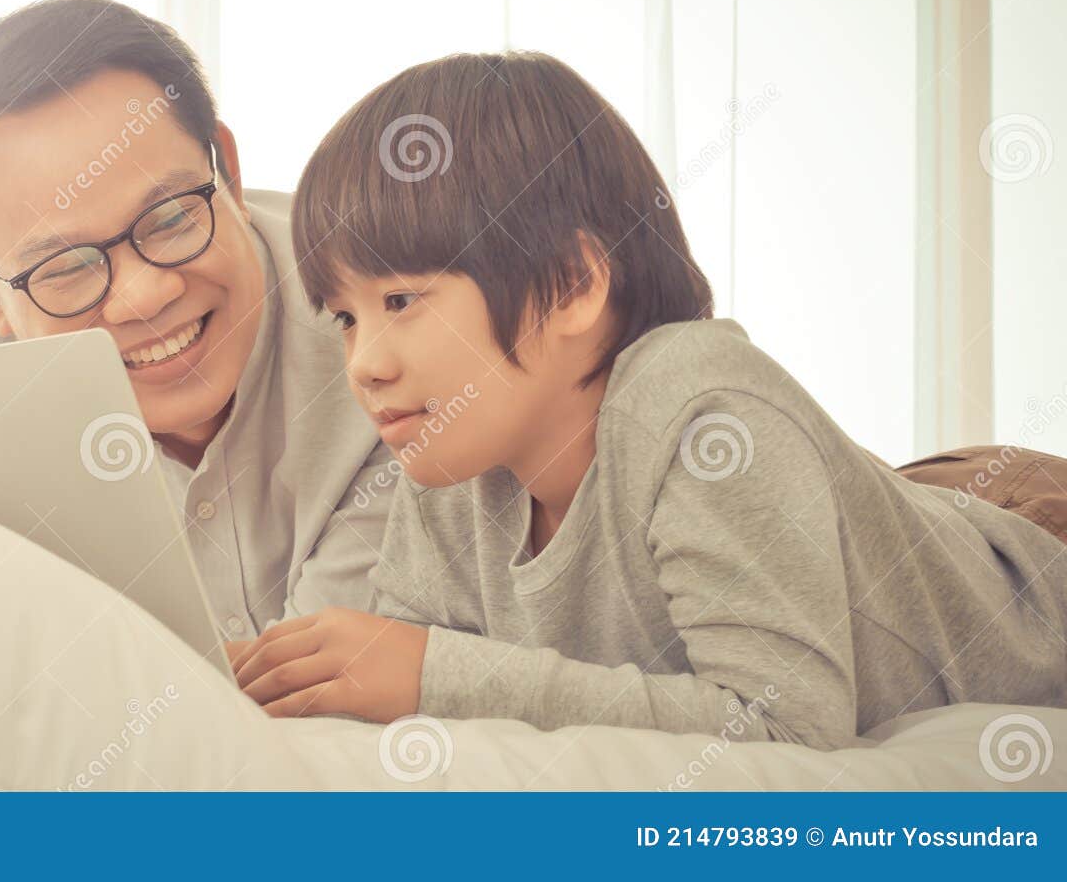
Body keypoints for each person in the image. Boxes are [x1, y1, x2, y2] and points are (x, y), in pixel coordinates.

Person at [230, 50, 1067, 747]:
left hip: (1025, 527)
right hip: (884, 505)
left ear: (573, 283)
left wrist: (427, 672)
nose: (363, 364)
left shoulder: (705, 409)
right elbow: (412, 687)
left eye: (401, 302)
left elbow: (786, 728)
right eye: (345, 317)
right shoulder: (451, 473)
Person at [0, 0, 432, 642]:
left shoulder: (396, 320)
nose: (143, 297)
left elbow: (306, 698)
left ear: (228, 171)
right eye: (65, 267)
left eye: (174, 216)